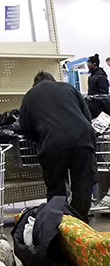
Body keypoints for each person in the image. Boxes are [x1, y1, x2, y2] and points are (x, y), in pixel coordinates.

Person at [19, 71, 97, 221]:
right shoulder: (68, 88)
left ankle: (59, 223)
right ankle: (79, 222)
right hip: (82, 138)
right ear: (54, 80)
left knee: (56, 188)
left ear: (35, 84)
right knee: (82, 185)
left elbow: (26, 128)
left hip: (52, 143)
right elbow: (86, 115)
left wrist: (40, 139)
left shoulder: (30, 96)